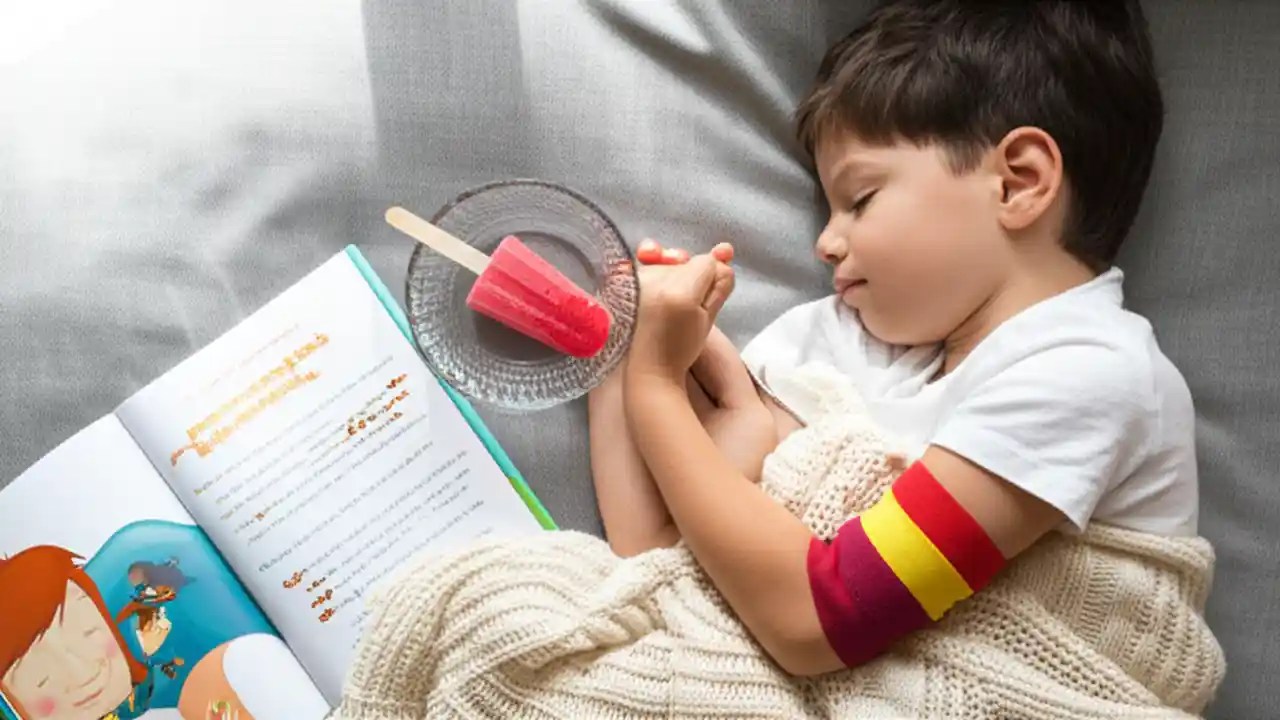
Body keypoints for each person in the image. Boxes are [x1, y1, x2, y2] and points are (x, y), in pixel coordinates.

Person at [588, 0, 1197, 675]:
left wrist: (653, 391)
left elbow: (817, 621)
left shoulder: (1090, 371)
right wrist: (625, 342)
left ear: (1019, 182)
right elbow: (651, 555)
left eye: (861, 198)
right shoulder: (856, 350)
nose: (825, 242)